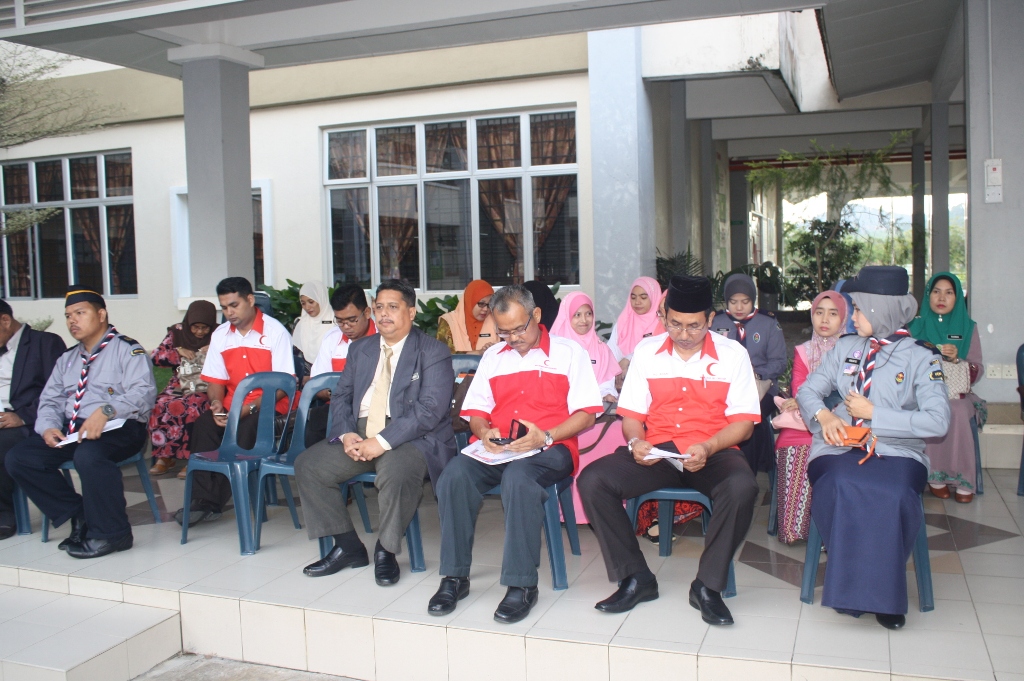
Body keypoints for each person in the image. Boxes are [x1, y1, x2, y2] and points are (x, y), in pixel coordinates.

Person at [578, 274, 761, 626]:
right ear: (663, 317)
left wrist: (709, 446)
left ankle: (707, 586)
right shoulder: (647, 352)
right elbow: (632, 417)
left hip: (713, 449)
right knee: (593, 480)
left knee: (742, 487)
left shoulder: (733, 355)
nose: (683, 334)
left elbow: (743, 424)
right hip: (659, 451)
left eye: (694, 326)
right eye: (675, 324)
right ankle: (636, 578)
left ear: (710, 319)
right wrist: (636, 442)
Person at [428, 284, 603, 623]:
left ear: (536, 315)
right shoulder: (494, 356)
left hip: (552, 447)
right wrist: (484, 432)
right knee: (454, 475)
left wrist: (545, 436)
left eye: (519, 329)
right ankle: (454, 576)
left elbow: (587, 415)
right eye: (504, 332)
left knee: (519, 478)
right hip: (501, 448)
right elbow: (476, 413)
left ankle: (522, 584)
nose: (513, 339)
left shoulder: (569, 353)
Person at [796, 265, 950, 630]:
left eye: (860, 309)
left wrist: (875, 414)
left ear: (881, 310)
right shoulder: (846, 347)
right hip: (838, 448)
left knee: (890, 492)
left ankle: (882, 595)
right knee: (839, 483)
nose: (853, 316)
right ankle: (855, 587)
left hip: (897, 451)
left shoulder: (922, 356)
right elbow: (807, 390)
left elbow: (937, 421)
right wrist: (823, 415)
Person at [295, 279, 456, 586]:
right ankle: (348, 546)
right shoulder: (361, 348)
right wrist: (346, 434)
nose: (384, 314)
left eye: (393, 307)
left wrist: (381, 441)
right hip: (362, 429)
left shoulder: (432, 351)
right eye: (379, 307)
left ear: (411, 312)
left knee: (396, 473)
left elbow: (429, 411)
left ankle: (386, 549)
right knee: (309, 466)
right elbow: (342, 396)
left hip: (413, 435)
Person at [5, 287, 156, 558]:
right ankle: (79, 515)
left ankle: (114, 534)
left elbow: (143, 393)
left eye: (80, 313)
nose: (72, 320)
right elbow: (50, 400)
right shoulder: (67, 359)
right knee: (21, 458)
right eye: (68, 316)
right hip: (75, 429)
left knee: (89, 456)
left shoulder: (127, 349)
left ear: (101, 315)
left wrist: (106, 410)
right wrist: (48, 427)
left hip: (121, 426)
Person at [173, 277, 296, 526]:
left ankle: (211, 501)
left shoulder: (275, 332)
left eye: (234, 305)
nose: (229, 312)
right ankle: (202, 500)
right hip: (232, 405)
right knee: (205, 425)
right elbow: (215, 381)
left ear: (250, 300)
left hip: (270, 406)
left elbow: (283, 386)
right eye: (224, 307)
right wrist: (216, 404)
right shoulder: (221, 335)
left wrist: (247, 409)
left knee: (246, 429)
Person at [773, 291, 847, 543]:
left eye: (833, 313)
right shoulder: (804, 351)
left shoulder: (853, 351)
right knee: (796, 446)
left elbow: (850, 391)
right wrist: (811, 401)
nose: (824, 319)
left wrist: (817, 402)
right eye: (819, 312)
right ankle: (795, 528)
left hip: (842, 419)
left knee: (832, 447)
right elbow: (799, 388)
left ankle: (830, 533)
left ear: (843, 318)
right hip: (804, 419)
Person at [549, 292, 625, 524]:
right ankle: (567, 512)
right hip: (563, 416)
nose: (584, 320)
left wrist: (603, 394)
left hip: (596, 415)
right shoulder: (554, 348)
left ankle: (608, 508)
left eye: (588, 314)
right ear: (566, 317)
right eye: (577, 315)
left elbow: (606, 383)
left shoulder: (600, 347)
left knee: (620, 434)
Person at [909, 272, 984, 503]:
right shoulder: (914, 326)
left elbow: (978, 368)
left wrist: (957, 359)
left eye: (949, 293)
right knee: (930, 409)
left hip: (957, 393)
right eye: (936, 291)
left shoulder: (969, 328)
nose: (941, 298)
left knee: (958, 410)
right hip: (921, 393)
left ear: (957, 297)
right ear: (928, 295)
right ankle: (935, 478)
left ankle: (963, 479)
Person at [0, 300, 67, 540]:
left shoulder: (45, 343)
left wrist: (22, 416)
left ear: (5, 320)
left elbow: (60, 391)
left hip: (27, 421)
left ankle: (4, 513)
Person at [710, 273, 787, 473]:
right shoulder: (715, 322)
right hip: (723, 386)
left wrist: (755, 374)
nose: (739, 307)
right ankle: (720, 469)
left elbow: (779, 362)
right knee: (715, 416)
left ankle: (747, 474)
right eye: (733, 302)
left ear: (753, 300)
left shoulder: (768, 323)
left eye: (745, 302)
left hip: (761, 386)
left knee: (748, 419)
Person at [147, 300, 218, 477]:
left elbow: (231, 357)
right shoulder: (177, 332)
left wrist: (215, 349)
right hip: (180, 382)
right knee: (160, 404)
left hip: (207, 383)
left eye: (204, 328)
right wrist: (177, 351)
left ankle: (192, 457)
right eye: (195, 327)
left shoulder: (220, 333)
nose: (200, 332)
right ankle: (165, 456)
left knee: (193, 405)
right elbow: (156, 357)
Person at [607, 276, 664, 390]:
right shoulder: (624, 321)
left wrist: (628, 359)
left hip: (652, 382)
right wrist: (615, 370)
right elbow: (611, 350)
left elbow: (654, 351)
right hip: (620, 383)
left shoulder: (662, 323)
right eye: (633, 297)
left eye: (643, 297)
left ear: (654, 297)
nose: (637, 302)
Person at [309, 285, 376, 377]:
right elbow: (319, 381)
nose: (346, 327)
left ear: (367, 312)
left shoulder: (384, 337)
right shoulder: (331, 339)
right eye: (339, 321)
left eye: (352, 320)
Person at [437, 279, 497, 354]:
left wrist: (494, 349)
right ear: (470, 301)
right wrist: (478, 353)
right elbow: (442, 354)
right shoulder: (449, 321)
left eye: (489, 305)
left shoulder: (496, 320)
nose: (485, 309)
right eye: (481, 304)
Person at [292, 281, 336, 373]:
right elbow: (296, 355)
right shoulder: (300, 323)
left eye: (311, 302)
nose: (307, 307)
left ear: (321, 299)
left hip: (333, 373)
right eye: (303, 303)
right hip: (306, 375)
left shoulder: (336, 322)